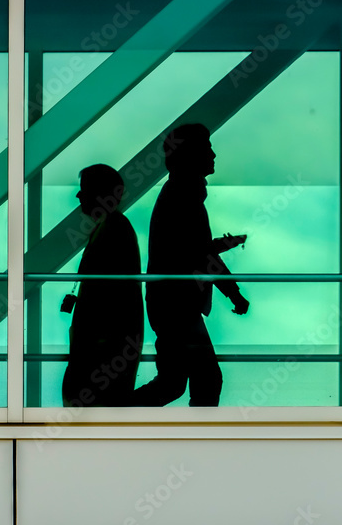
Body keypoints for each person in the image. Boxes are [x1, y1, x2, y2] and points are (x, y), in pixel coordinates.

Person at [130, 123, 249, 407]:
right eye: (207, 148)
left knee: (173, 382)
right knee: (203, 379)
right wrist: (233, 293)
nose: (214, 154)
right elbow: (201, 255)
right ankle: (111, 418)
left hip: (171, 304)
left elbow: (192, 250)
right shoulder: (185, 195)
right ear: (191, 154)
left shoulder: (179, 193)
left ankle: (112, 418)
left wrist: (220, 247)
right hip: (178, 307)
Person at [62, 164, 144, 407]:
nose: (79, 195)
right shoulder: (113, 227)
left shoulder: (112, 229)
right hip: (105, 348)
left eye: (84, 189)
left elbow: (108, 295)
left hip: (101, 349)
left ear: (99, 193)